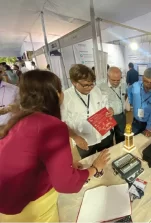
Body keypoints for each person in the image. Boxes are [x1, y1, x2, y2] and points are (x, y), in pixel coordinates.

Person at [0, 70, 110, 222]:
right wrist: (95, 168)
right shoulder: (52, 126)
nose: (90, 87)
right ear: (57, 94)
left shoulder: (19, 120)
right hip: (31, 209)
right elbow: (66, 184)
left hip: (9, 204)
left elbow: (30, 158)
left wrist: (64, 165)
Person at [61, 64, 114, 159]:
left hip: (103, 135)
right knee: (89, 163)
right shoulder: (65, 98)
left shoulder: (96, 89)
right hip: (84, 140)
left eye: (91, 84)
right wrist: (75, 137)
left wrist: (110, 110)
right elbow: (62, 123)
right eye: (86, 85)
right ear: (73, 82)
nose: (90, 88)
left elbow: (104, 105)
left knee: (107, 159)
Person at [127, 67, 151, 137]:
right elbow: (128, 91)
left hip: (148, 123)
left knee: (145, 143)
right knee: (134, 142)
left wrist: (148, 127)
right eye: (146, 81)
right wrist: (131, 101)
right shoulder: (135, 86)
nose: (148, 85)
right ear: (143, 78)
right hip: (135, 122)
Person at [99, 67, 126, 144]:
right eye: (113, 80)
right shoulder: (100, 85)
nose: (116, 82)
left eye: (118, 80)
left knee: (121, 137)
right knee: (108, 139)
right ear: (108, 77)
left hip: (121, 116)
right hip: (107, 116)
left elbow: (125, 95)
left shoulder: (123, 84)